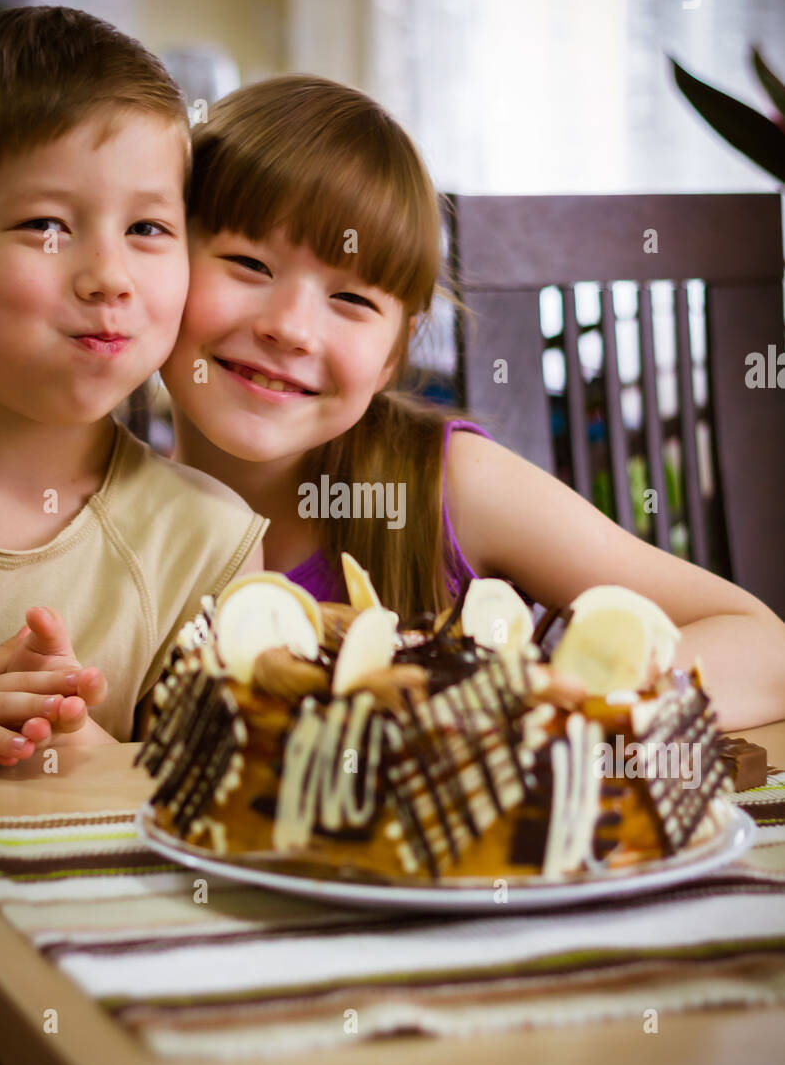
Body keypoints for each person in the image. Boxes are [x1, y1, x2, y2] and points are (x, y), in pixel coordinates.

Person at [162, 73, 785, 732]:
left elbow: (764, 647)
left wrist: (524, 709)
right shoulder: (99, 512)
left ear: (392, 357)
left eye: (351, 299)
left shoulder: (449, 486)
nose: (289, 326)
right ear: (162, 256)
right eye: (249, 264)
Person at [0, 7, 266, 783]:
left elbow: (223, 799)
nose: (108, 275)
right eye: (46, 225)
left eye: (147, 228)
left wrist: (95, 759)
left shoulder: (207, 544)